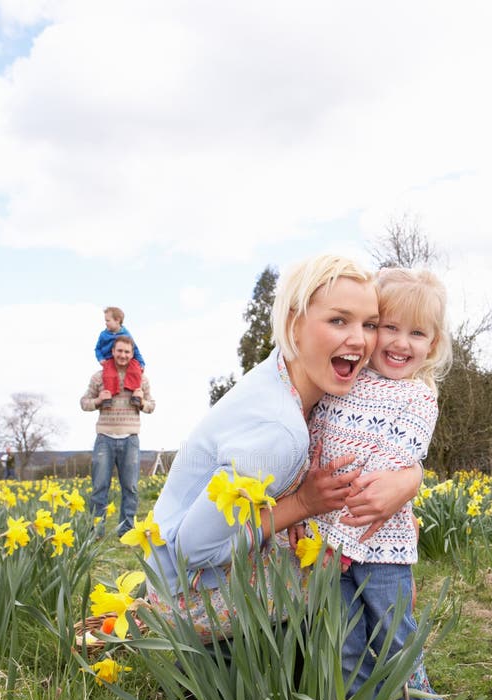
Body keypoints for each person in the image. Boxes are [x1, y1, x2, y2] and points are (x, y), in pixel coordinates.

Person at [147, 254, 422, 643]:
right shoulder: (280, 432)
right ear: (294, 325)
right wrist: (302, 506)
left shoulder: (290, 376)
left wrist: (410, 479)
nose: (360, 339)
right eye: (338, 320)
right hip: (187, 597)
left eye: (370, 324)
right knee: (351, 564)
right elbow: (195, 549)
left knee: (368, 537)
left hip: (170, 576)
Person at [307, 267, 455, 700]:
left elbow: (387, 470)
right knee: (346, 645)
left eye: (416, 333)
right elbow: (317, 444)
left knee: (395, 641)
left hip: (381, 546)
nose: (400, 342)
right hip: (328, 544)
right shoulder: (343, 383)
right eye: (390, 327)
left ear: (432, 345)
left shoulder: (419, 396)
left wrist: (339, 543)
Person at [81, 334, 155, 537]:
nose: (123, 355)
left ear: (132, 354)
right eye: (119, 351)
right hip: (104, 438)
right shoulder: (99, 377)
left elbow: (151, 406)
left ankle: (127, 531)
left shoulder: (141, 379)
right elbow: (84, 403)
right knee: (99, 487)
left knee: (130, 488)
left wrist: (141, 402)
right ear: (113, 352)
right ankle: (96, 531)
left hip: (130, 438)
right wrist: (98, 400)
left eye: (127, 352)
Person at [95, 306, 146, 409]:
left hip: (127, 362)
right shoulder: (103, 335)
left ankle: (136, 393)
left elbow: (135, 349)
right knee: (108, 374)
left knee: (135, 369)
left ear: (117, 320)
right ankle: (108, 396)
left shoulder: (126, 334)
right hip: (109, 360)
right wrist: (100, 358)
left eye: (108, 320)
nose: (106, 323)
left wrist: (141, 363)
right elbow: (97, 348)